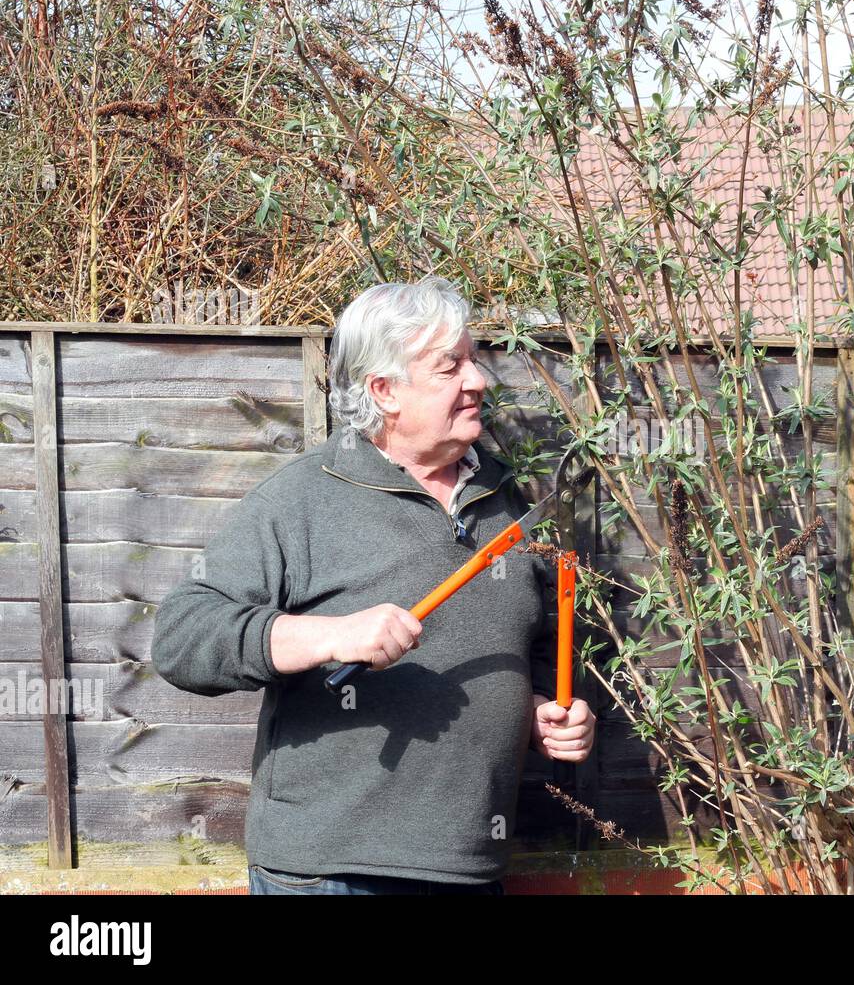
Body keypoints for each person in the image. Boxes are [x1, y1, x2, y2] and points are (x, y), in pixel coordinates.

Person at [151, 275, 596, 895]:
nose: (478, 381)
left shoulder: (507, 502)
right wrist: (329, 635)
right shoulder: (302, 499)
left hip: (471, 866)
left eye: (474, 360)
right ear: (384, 390)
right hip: (334, 873)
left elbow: (536, 643)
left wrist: (544, 713)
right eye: (451, 368)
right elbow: (182, 637)